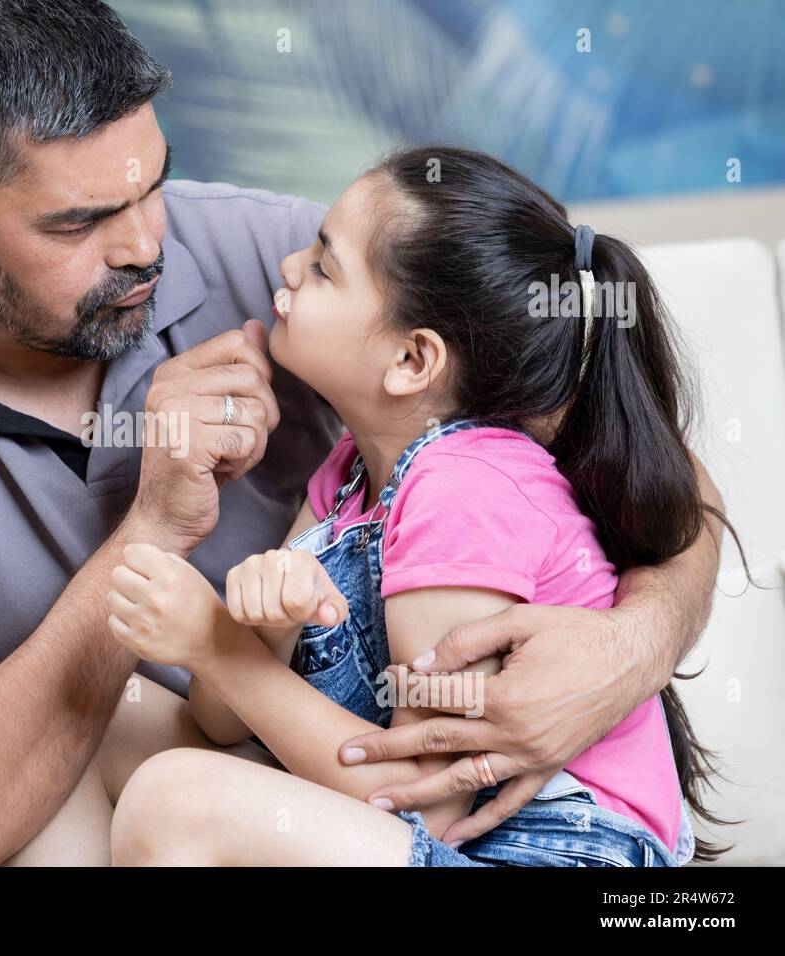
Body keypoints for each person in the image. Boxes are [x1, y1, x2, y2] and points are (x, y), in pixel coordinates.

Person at [0, 0, 726, 865]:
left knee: (168, 784)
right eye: (78, 224)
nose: (145, 245)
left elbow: (633, 450)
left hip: (412, 810)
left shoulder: (277, 263)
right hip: (281, 778)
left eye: (152, 184)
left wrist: (629, 648)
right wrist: (151, 531)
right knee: (90, 767)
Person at [104, 145, 740, 866]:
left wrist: (216, 646)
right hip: (434, 828)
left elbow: (424, 805)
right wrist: (262, 633)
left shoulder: (464, 490)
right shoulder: (347, 471)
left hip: (549, 851)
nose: (285, 269)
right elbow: (222, 723)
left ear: (412, 361)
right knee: (105, 728)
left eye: (321, 267)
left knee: (176, 800)